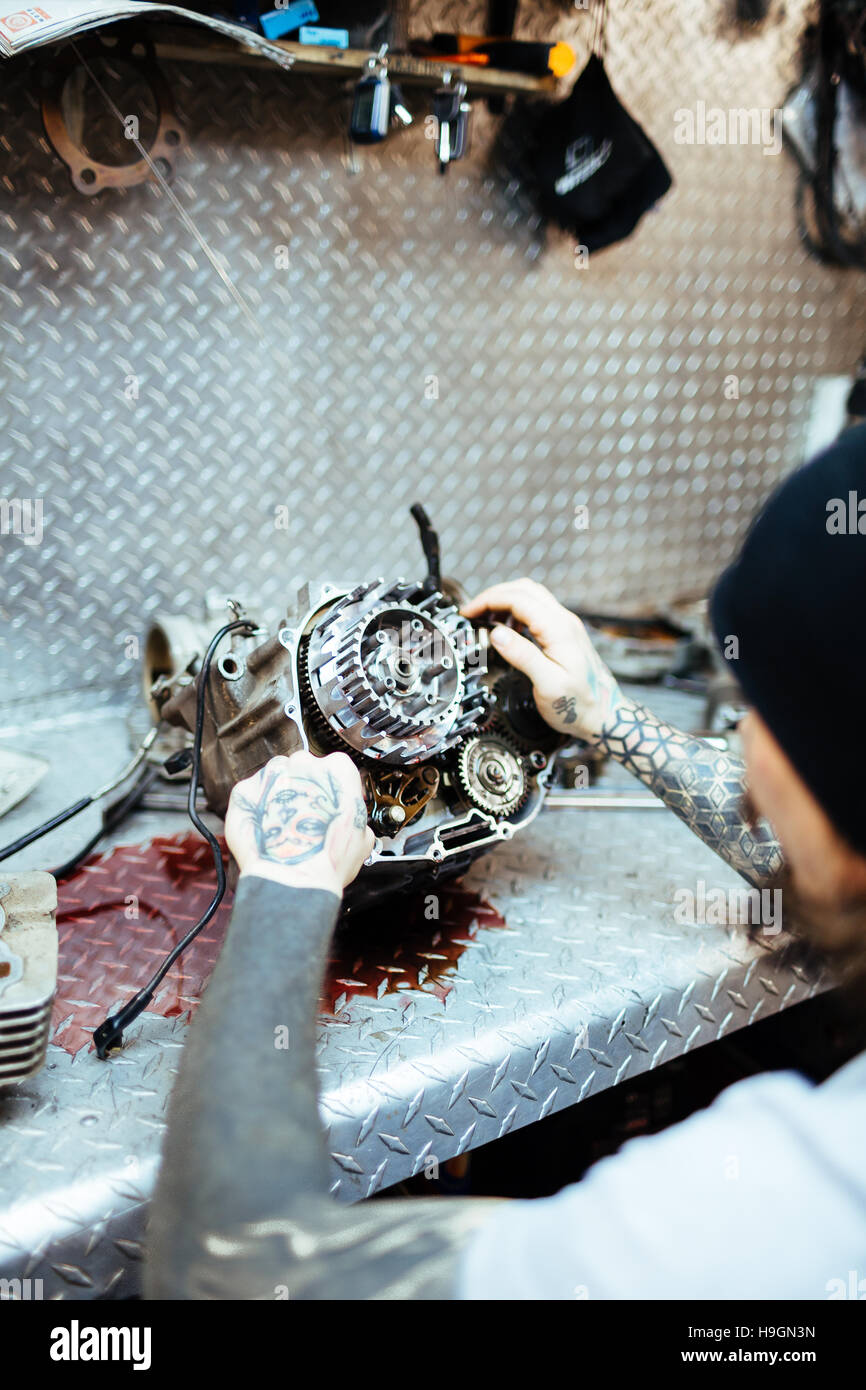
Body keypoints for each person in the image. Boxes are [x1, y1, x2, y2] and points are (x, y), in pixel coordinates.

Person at [145, 428, 866, 1300]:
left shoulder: (776, 1215)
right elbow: (803, 843)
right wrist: (610, 718)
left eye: (766, 714)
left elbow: (230, 1269)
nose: (746, 763)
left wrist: (288, 884)